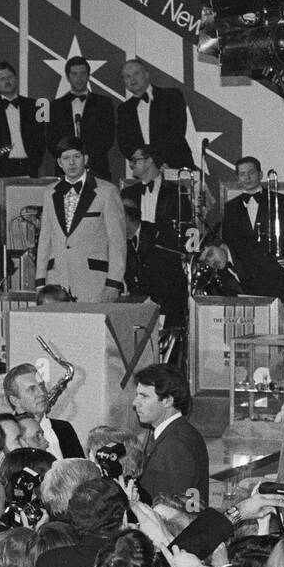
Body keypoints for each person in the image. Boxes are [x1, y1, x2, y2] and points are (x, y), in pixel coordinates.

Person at [34, 136, 126, 304]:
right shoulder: (49, 192)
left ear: (85, 159)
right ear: (59, 163)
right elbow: (45, 239)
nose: (71, 163)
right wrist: (40, 281)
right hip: (56, 281)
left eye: (76, 157)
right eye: (66, 158)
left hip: (94, 282)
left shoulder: (107, 191)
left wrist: (114, 283)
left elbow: (117, 242)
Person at [216, 155, 284, 298]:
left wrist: (268, 258)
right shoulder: (230, 207)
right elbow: (228, 239)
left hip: (273, 270)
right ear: (238, 178)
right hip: (245, 274)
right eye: (242, 174)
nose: (247, 178)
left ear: (260, 174)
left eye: (251, 173)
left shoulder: (280, 200)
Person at [132, 363, 208, 502]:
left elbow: (172, 510)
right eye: (137, 395)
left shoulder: (175, 444)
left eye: (144, 396)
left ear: (167, 401)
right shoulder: (176, 433)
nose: (135, 403)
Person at [116, 57, 194, 171]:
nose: (132, 79)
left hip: (175, 163)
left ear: (147, 74)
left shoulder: (171, 96)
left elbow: (177, 131)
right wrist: (144, 162)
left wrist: (158, 160)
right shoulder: (123, 109)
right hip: (144, 170)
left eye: (136, 73)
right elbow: (124, 143)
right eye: (127, 76)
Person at [46, 56, 114, 181]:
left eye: (83, 73)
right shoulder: (55, 106)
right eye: (74, 74)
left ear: (89, 76)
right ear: (68, 77)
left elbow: (107, 138)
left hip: (96, 169)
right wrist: (71, 159)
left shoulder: (104, 103)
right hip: (65, 171)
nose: (79, 78)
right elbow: (52, 140)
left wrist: (84, 158)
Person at [123, 197, 186, 331]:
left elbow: (170, 277)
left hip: (167, 312)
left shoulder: (159, 235)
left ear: (125, 218)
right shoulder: (121, 243)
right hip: (141, 312)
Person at [0, 61, 44, 180]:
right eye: (2, 79)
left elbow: (40, 138)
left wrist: (34, 162)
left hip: (28, 167)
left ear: (16, 79)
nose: (7, 81)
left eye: (9, 77)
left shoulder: (33, 106)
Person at [4, 362, 84, 460]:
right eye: (32, 389)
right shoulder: (9, 434)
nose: (42, 393)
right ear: (15, 400)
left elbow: (81, 469)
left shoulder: (64, 428)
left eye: (42, 386)